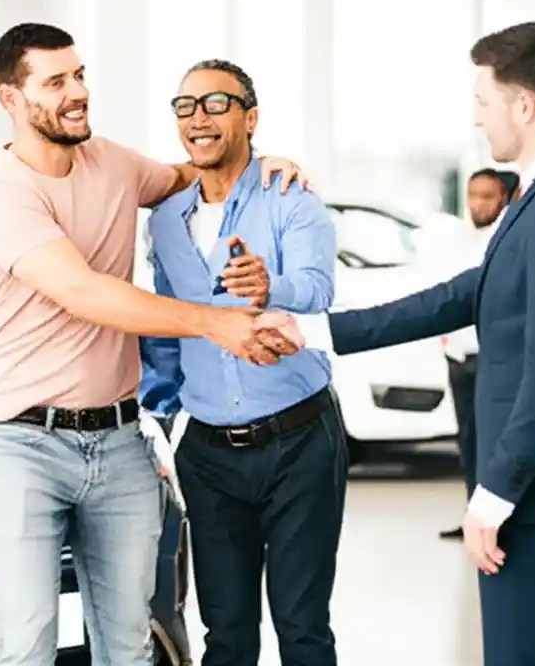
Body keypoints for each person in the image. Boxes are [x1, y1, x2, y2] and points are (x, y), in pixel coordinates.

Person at [0, 22, 308, 666]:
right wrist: (215, 323)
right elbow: (86, 292)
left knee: (129, 644)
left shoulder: (114, 163)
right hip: (24, 446)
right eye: (56, 82)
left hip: (121, 442)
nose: (77, 93)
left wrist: (263, 165)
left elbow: (191, 174)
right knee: (29, 646)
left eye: (80, 76)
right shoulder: (2, 196)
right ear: (11, 98)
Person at [259, 20, 535, 666]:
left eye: (482, 101)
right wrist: (315, 330)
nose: (475, 118)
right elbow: (464, 294)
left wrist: (494, 495)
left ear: (525, 105)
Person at [139, 59, 344, 666]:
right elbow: (166, 325)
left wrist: (269, 285)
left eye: (215, 104)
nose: (197, 117)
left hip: (298, 442)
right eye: (185, 106)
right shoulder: (166, 219)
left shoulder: (290, 198)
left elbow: (317, 289)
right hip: (207, 454)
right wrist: (159, 420)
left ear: (250, 118)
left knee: (302, 627)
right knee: (225, 634)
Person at [439, 168, 510, 539]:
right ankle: (473, 517)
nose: (478, 204)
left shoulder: (506, 237)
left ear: (502, 199)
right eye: (473, 195)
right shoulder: (456, 240)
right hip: (458, 355)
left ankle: (497, 521)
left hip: (490, 356)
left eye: (487, 196)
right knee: (468, 441)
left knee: (493, 442)